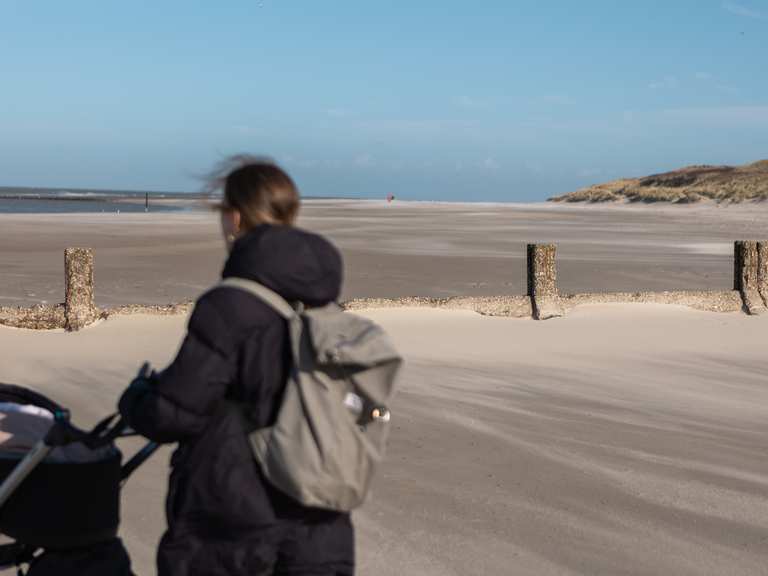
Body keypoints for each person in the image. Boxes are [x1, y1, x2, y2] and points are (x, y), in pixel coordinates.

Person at [118, 156, 354, 576]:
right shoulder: (324, 304)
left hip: (235, 522)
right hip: (320, 519)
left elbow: (175, 413)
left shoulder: (231, 305)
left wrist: (136, 398)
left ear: (236, 217)